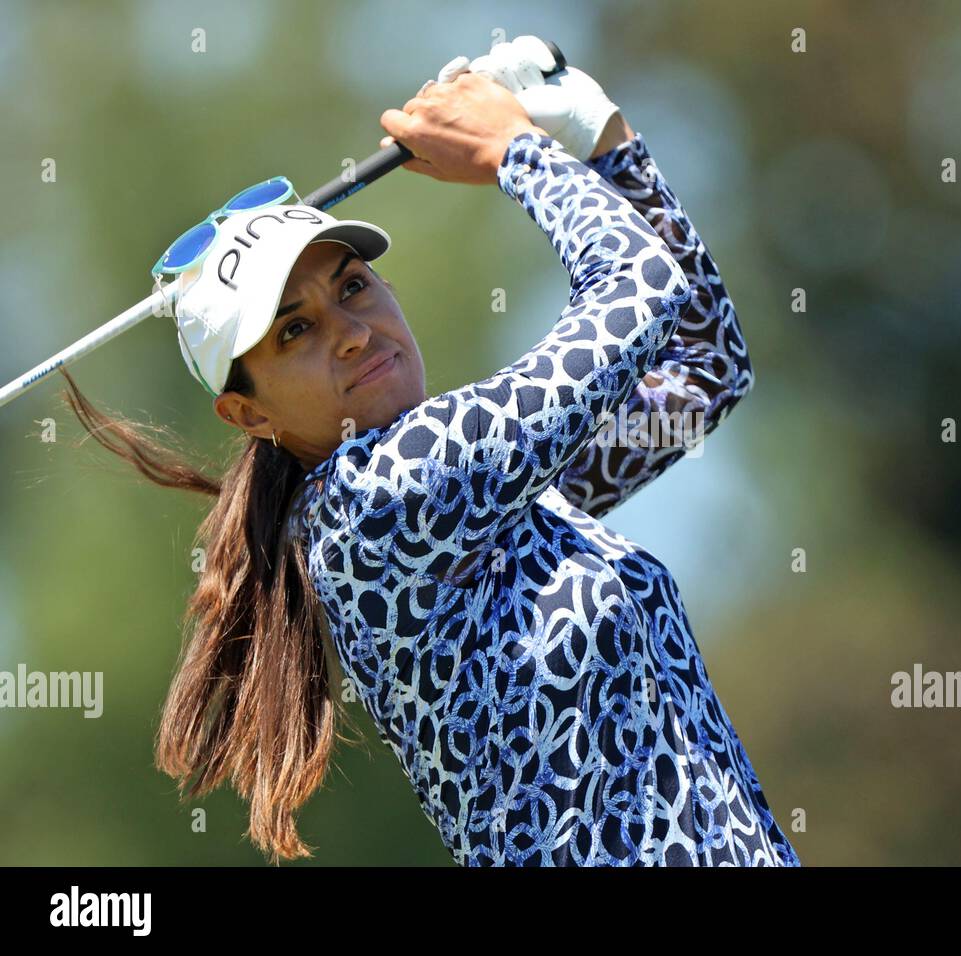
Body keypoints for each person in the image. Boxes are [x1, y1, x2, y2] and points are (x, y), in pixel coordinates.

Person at [62, 63, 799, 866]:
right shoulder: (381, 500)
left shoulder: (494, 502)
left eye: (352, 286)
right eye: (293, 332)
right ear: (250, 414)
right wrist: (517, 150)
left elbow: (699, 373)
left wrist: (601, 138)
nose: (349, 330)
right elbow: (639, 294)